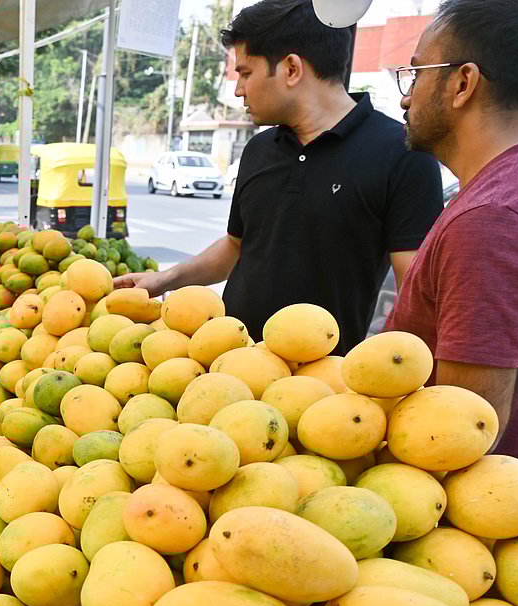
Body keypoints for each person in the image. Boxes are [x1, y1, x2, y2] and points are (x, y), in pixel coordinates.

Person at [115, 0, 444, 353]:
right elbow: (236, 247)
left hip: (319, 385)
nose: (239, 89)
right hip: (230, 361)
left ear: (290, 69)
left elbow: (415, 287)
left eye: (245, 73)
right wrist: (164, 279)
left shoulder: (402, 154)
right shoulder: (258, 150)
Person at [387, 0, 518, 491]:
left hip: (454, 528)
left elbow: (458, 437)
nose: (405, 99)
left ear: (463, 84)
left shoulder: (496, 217)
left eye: (416, 74)